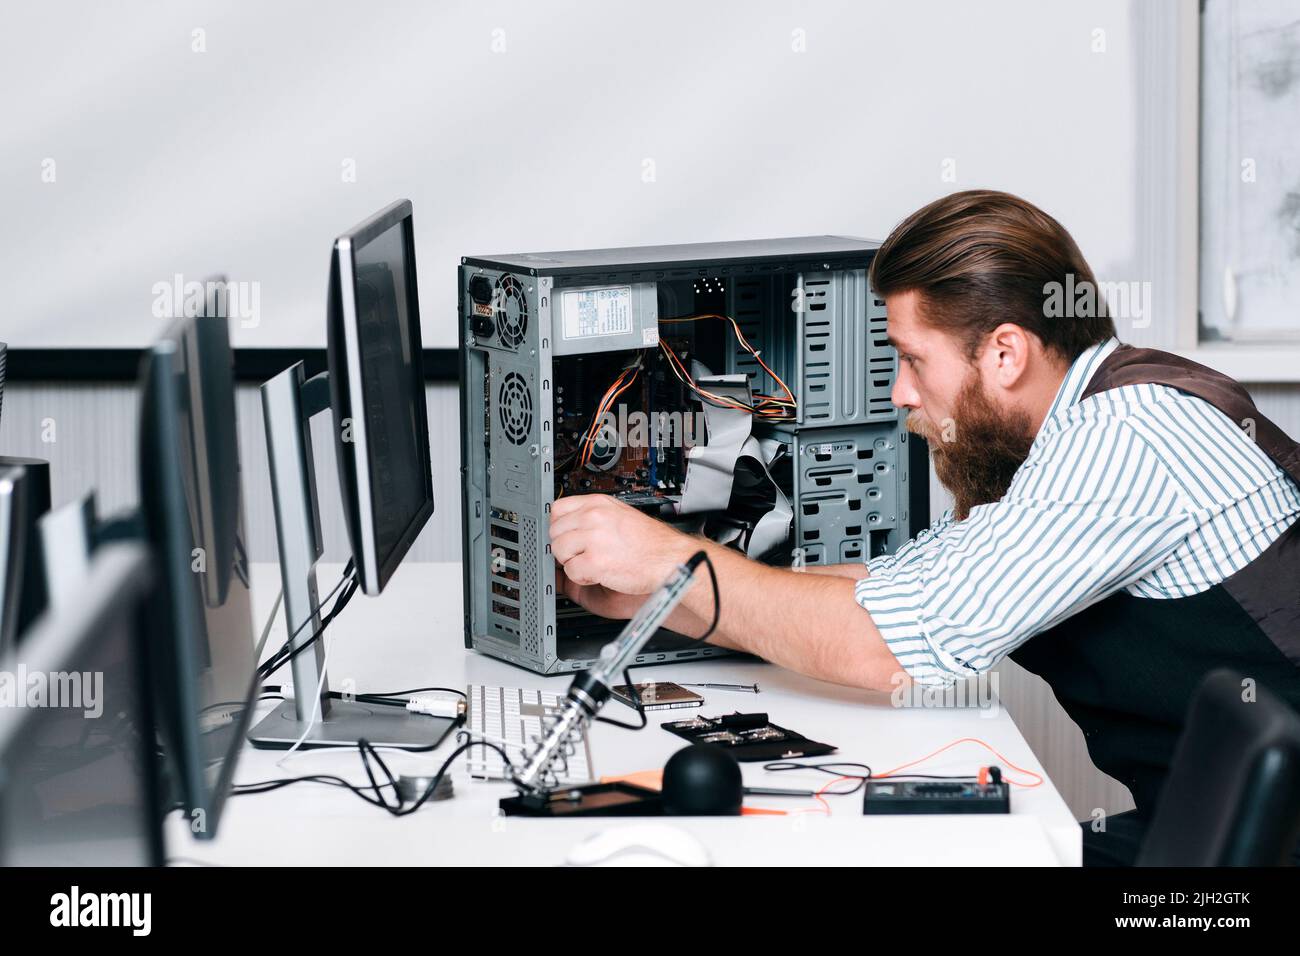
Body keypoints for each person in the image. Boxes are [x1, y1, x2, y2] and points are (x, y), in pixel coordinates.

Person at [549, 190, 1300, 865]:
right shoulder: (1067, 436)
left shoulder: (1133, 434)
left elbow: (890, 644)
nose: (902, 393)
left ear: (1004, 352)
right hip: (1214, 827)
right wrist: (658, 597)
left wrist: (671, 555)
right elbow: (888, 586)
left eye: (912, 358)